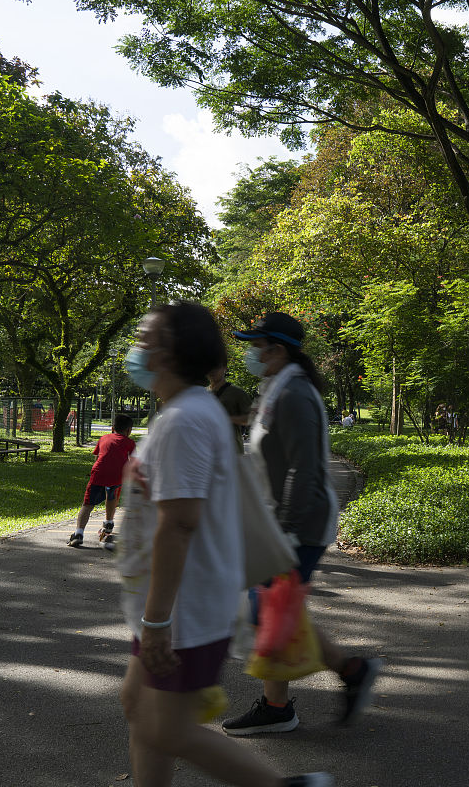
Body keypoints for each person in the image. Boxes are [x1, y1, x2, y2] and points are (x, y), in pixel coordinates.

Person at [117, 301, 331, 787]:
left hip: (181, 611)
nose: (137, 346)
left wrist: (156, 623)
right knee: (137, 708)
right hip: (171, 603)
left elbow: (179, 525)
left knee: (167, 730)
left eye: (146, 337)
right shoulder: (189, 410)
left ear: (171, 352)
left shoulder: (184, 419)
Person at [223, 312, 383, 736]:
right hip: (277, 519)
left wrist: (286, 533)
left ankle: (283, 704)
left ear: (277, 349)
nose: (251, 353)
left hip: (299, 524)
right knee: (277, 608)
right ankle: (348, 672)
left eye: (256, 346)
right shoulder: (275, 388)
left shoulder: (294, 393)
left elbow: (306, 472)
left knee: (268, 609)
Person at [67, 414, 135, 549]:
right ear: (129, 430)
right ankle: (109, 523)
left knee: (87, 504)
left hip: (99, 473)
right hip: (117, 475)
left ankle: (78, 534)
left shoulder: (103, 438)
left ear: (112, 428)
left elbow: (98, 457)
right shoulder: (130, 443)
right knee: (111, 494)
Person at [208, 362, 253, 451]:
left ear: (225, 368)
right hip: (208, 452)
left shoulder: (237, 393)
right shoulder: (202, 395)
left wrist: (228, 419)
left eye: (216, 366)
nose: (212, 370)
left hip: (232, 452)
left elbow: (252, 418)